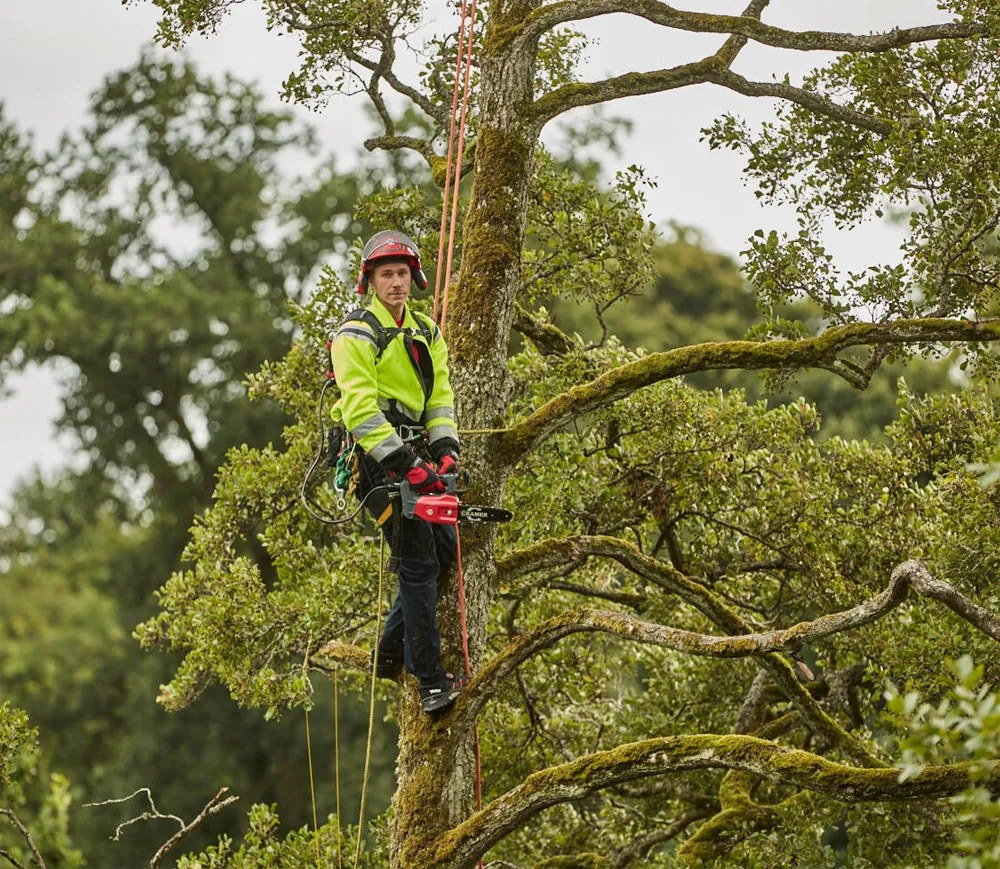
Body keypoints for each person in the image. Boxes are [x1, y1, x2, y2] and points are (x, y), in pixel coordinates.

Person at [329, 230, 467, 713]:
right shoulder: (354, 334)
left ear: (414, 279)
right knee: (418, 561)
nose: (395, 283)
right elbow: (362, 413)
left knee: (446, 549)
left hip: (415, 453)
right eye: (386, 275)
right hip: (374, 459)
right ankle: (429, 681)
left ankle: (388, 652)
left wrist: (446, 448)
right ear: (370, 281)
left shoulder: (426, 330)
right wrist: (407, 467)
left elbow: (440, 396)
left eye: (402, 274)